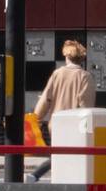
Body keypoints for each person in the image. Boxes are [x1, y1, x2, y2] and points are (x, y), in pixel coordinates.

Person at [27, 39, 96, 183]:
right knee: (70, 154)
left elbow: (46, 98)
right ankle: (39, 175)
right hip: (75, 125)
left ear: (66, 56)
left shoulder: (57, 74)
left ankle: (38, 176)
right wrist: (89, 126)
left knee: (61, 153)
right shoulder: (85, 76)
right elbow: (85, 104)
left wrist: (36, 118)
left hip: (56, 123)